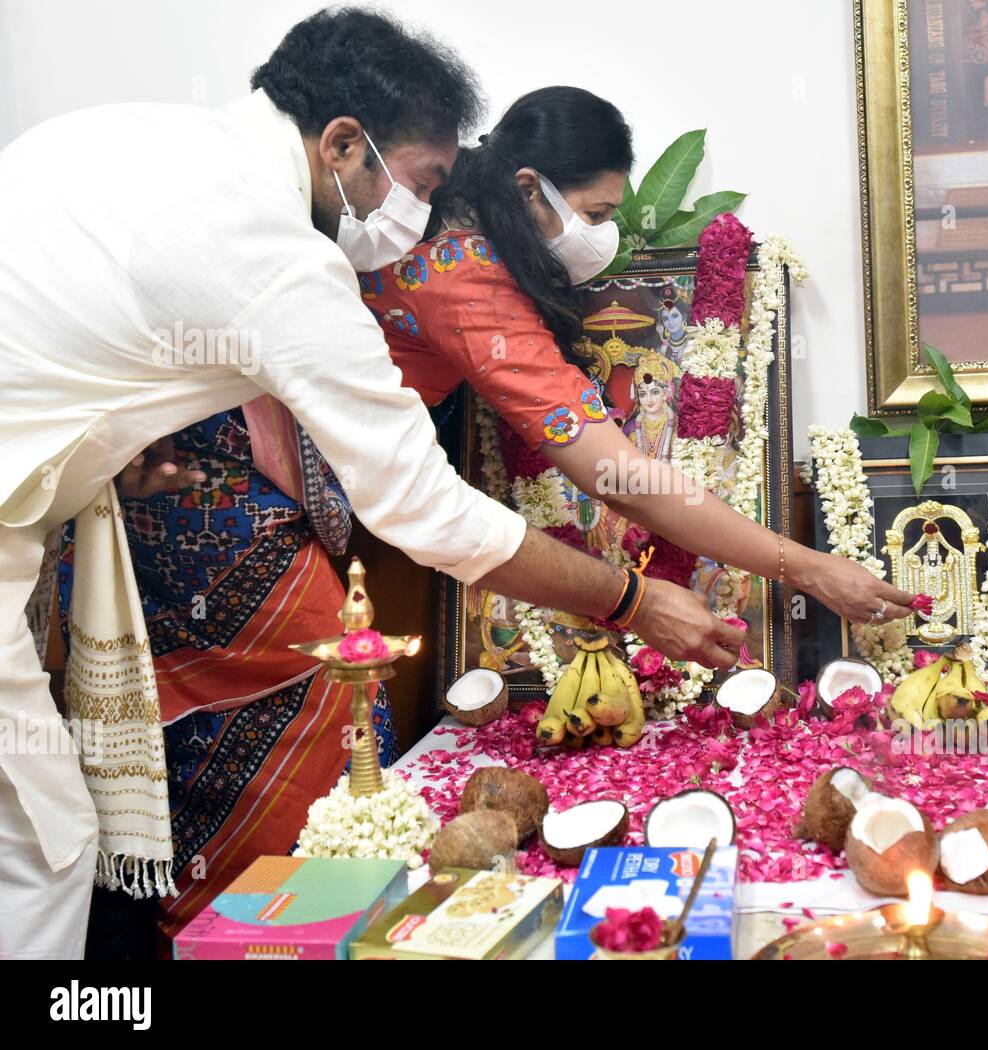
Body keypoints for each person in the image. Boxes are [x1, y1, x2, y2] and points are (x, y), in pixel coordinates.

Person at [0, 8, 742, 960]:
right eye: (420, 183)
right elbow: (426, 509)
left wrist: (106, 440)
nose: (420, 217)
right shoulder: (280, 254)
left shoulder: (134, 133)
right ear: (343, 143)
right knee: (41, 846)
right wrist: (635, 600)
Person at [364, 86, 918, 628]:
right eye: (596, 214)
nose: (602, 236)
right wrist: (808, 568)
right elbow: (620, 477)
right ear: (529, 188)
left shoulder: (453, 224)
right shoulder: (467, 279)